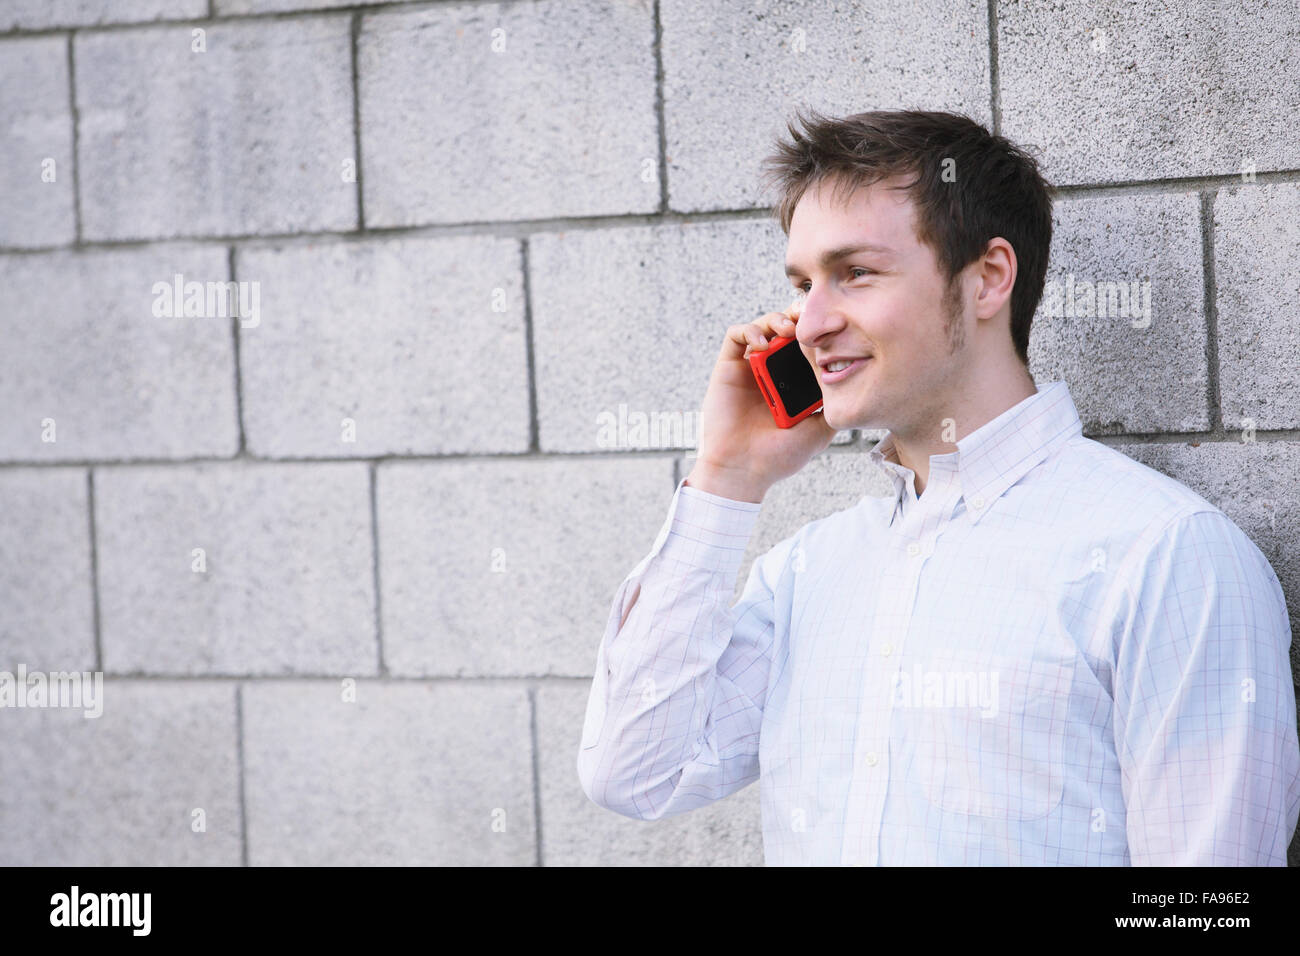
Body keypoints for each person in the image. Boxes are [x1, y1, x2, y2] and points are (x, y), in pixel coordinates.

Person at [575, 108, 1299, 865]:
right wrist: (726, 480)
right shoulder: (806, 574)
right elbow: (636, 772)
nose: (809, 322)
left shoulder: (1165, 560)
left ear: (987, 279)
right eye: (801, 282)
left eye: (854, 273)